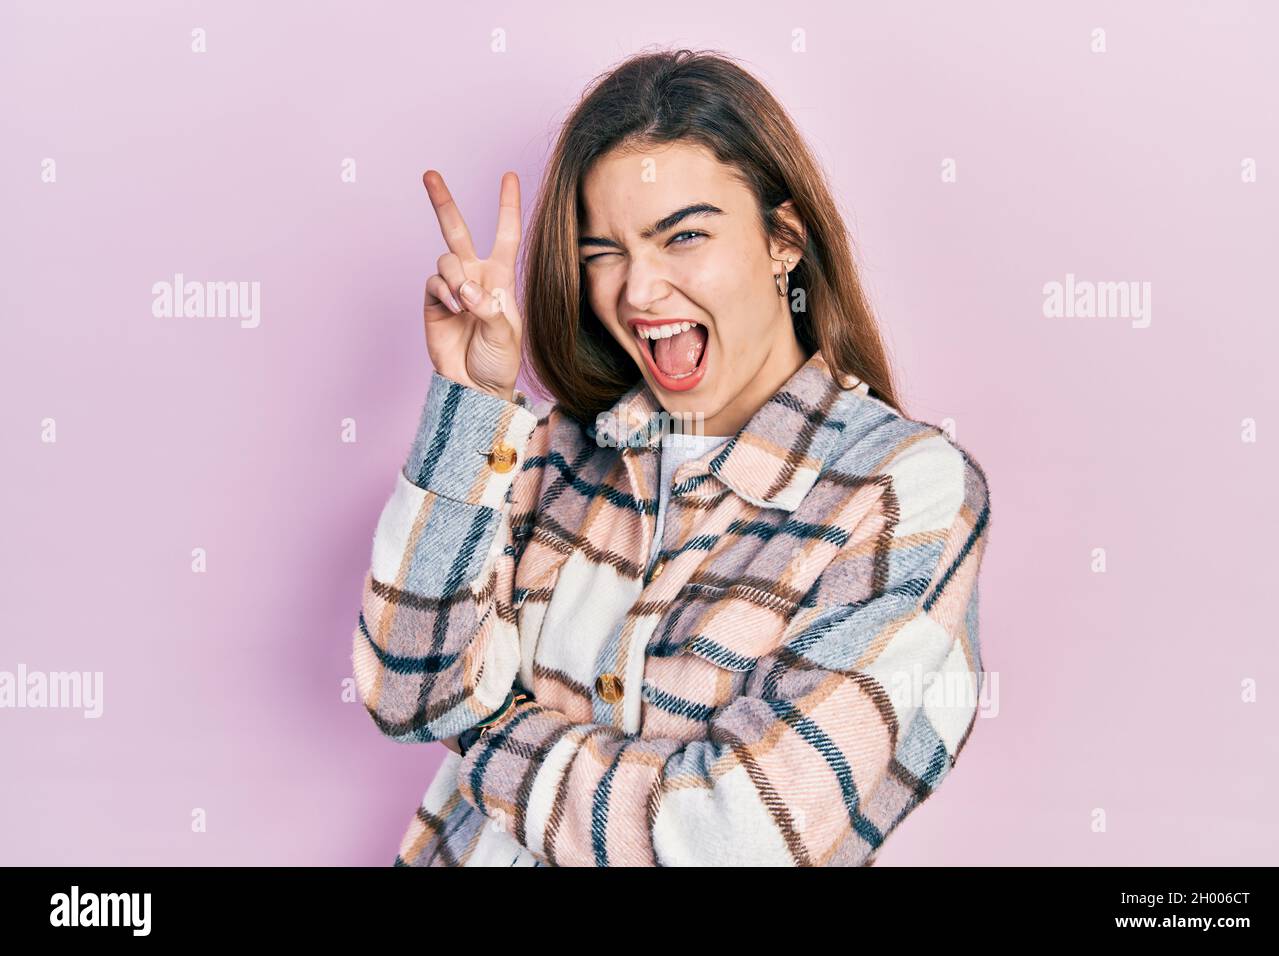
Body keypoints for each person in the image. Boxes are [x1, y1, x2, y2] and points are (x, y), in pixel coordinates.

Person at [352, 48, 992, 867]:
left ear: (783, 240)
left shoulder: (902, 493)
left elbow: (729, 840)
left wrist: (481, 725)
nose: (639, 292)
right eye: (604, 252)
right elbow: (407, 692)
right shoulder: (552, 450)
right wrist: (473, 408)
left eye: (683, 236)